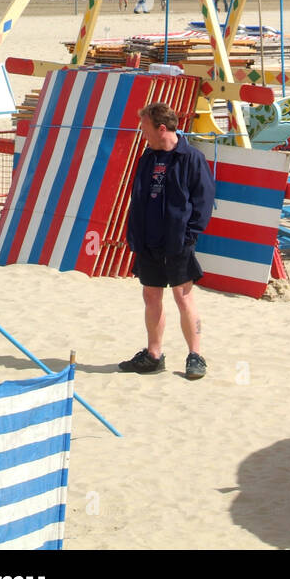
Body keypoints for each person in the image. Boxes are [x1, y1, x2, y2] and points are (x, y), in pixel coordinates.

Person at [120, 102, 216, 380]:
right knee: (151, 295)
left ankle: (195, 355)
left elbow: (204, 201)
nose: (142, 133)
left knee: (183, 297)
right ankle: (153, 354)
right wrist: (135, 234)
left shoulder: (191, 158)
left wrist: (188, 235)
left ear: (161, 128)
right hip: (148, 241)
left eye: (145, 127)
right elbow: (137, 197)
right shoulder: (147, 158)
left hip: (178, 242)